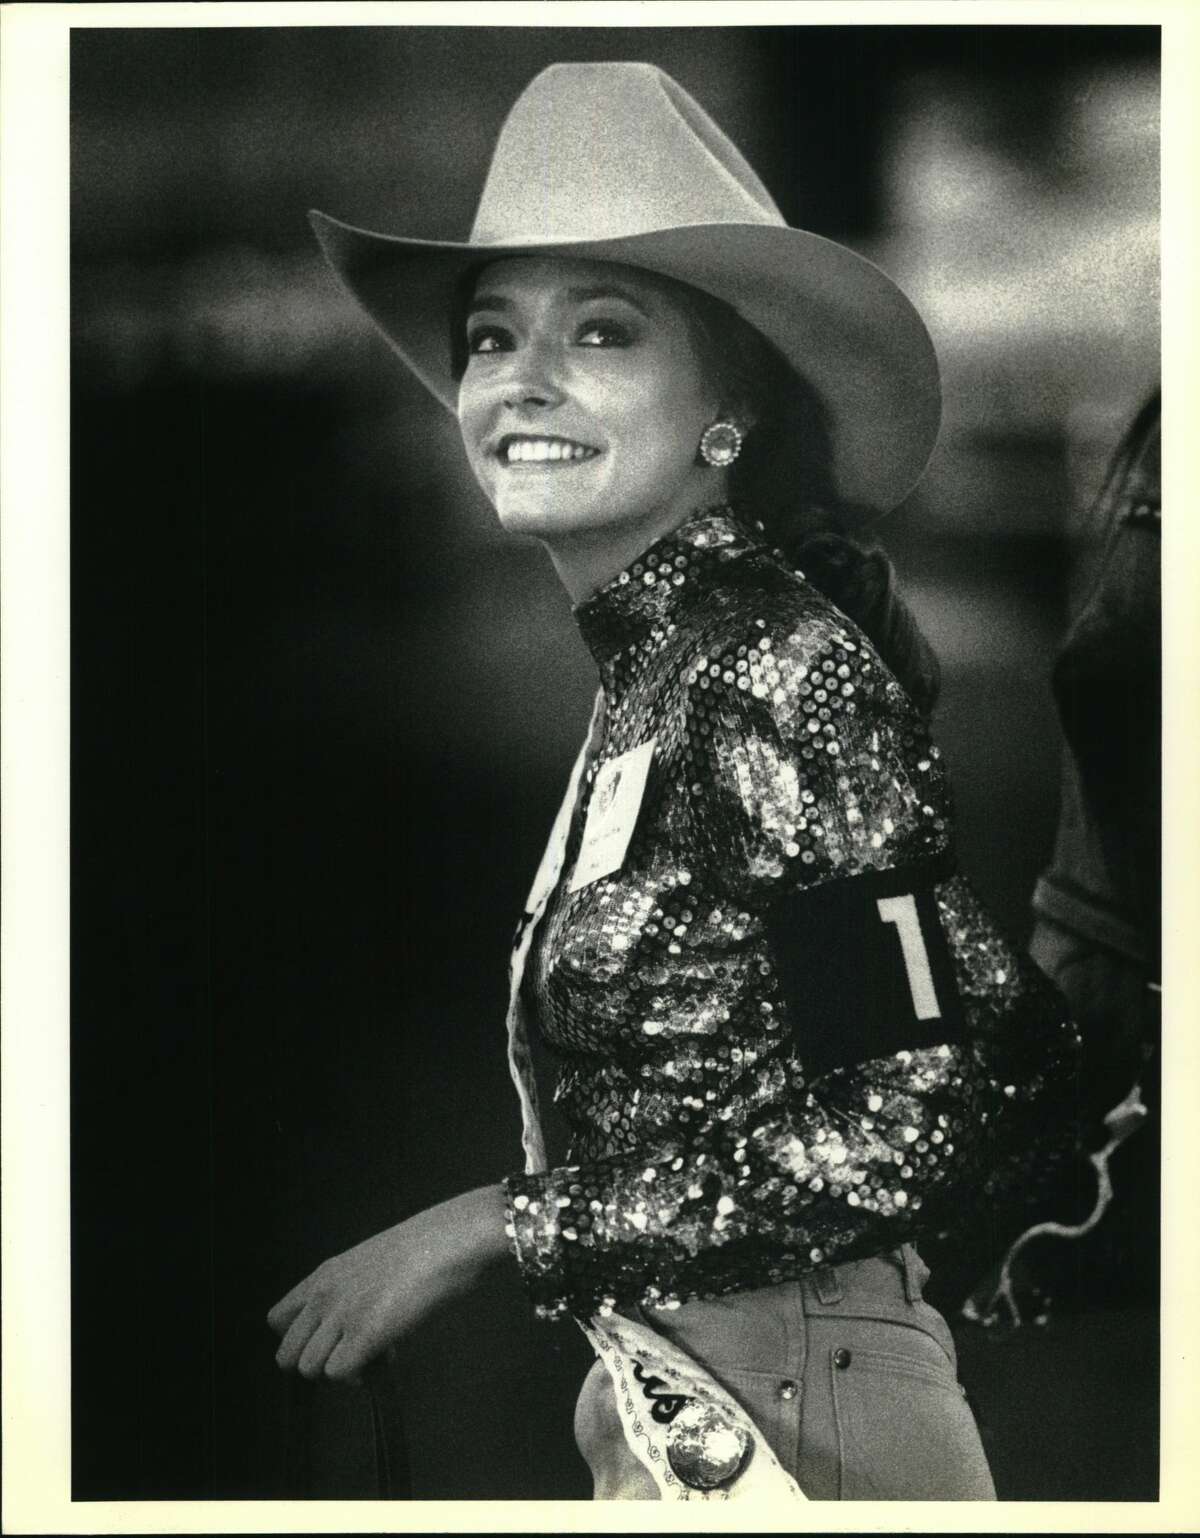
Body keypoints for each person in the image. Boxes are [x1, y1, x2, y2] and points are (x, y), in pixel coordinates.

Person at [268, 62, 1081, 1501]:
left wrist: (483, 1228)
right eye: (492, 336)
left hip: (808, 1422)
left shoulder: (775, 668)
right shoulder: (658, 678)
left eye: (602, 331)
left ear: (730, 410)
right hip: (690, 1407)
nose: (525, 378)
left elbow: (911, 1116)